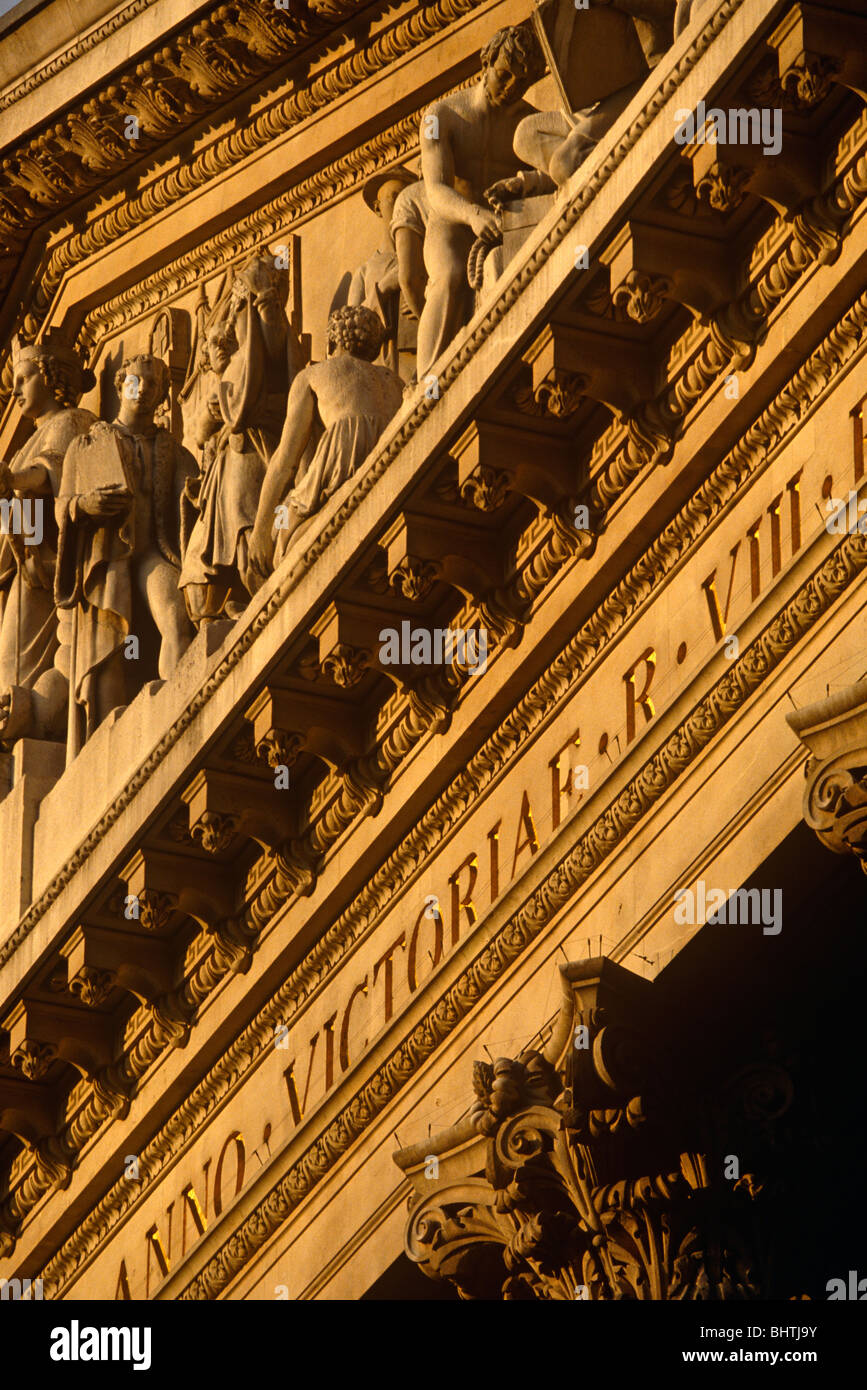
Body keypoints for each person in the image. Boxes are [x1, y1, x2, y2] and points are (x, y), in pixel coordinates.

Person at [54, 353, 195, 755]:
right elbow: (61, 506)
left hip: (154, 552)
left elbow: (195, 495)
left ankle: (175, 710)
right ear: (119, 387)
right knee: (111, 643)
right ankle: (107, 744)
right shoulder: (88, 444)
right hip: (107, 558)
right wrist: (85, 505)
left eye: (153, 385)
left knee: (176, 617)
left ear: (162, 395)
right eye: (137, 381)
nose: (144, 390)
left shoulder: (171, 448)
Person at [416, 24, 546, 378]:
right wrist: (473, 215)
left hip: (507, 225)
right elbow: (435, 190)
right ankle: (426, 382)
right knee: (450, 276)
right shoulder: (440, 116)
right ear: (486, 62)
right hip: (453, 221)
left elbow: (551, 177)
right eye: (503, 75)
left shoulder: (530, 123)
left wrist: (522, 185)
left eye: (520, 83)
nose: (509, 88)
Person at [245, 306, 404, 592]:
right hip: (390, 464)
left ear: (331, 343)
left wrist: (259, 532)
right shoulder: (394, 380)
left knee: (283, 533)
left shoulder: (314, 375)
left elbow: (284, 461)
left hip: (340, 467)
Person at [179, 255, 298, 627]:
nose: (216, 349)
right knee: (222, 536)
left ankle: (258, 591)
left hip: (252, 452)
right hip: (228, 463)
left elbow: (276, 343)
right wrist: (214, 415)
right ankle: (235, 601)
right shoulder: (228, 375)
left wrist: (264, 298)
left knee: (248, 521)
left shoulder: (261, 346)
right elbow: (198, 435)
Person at [0, 333, 95, 746]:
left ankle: (27, 745)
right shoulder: (25, 444)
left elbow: (54, 470)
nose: (15, 391)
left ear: (52, 376)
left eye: (24, 379)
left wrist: (12, 480)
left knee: (17, 671)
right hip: (24, 563)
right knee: (10, 666)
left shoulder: (71, 422)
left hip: (46, 567)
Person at [347, 168, 416, 375]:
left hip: (418, 361)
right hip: (380, 370)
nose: (400, 206)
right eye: (393, 198)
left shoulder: (426, 255)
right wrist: (384, 288)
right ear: (378, 209)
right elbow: (350, 331)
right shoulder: (365, 271)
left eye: (406, 198)